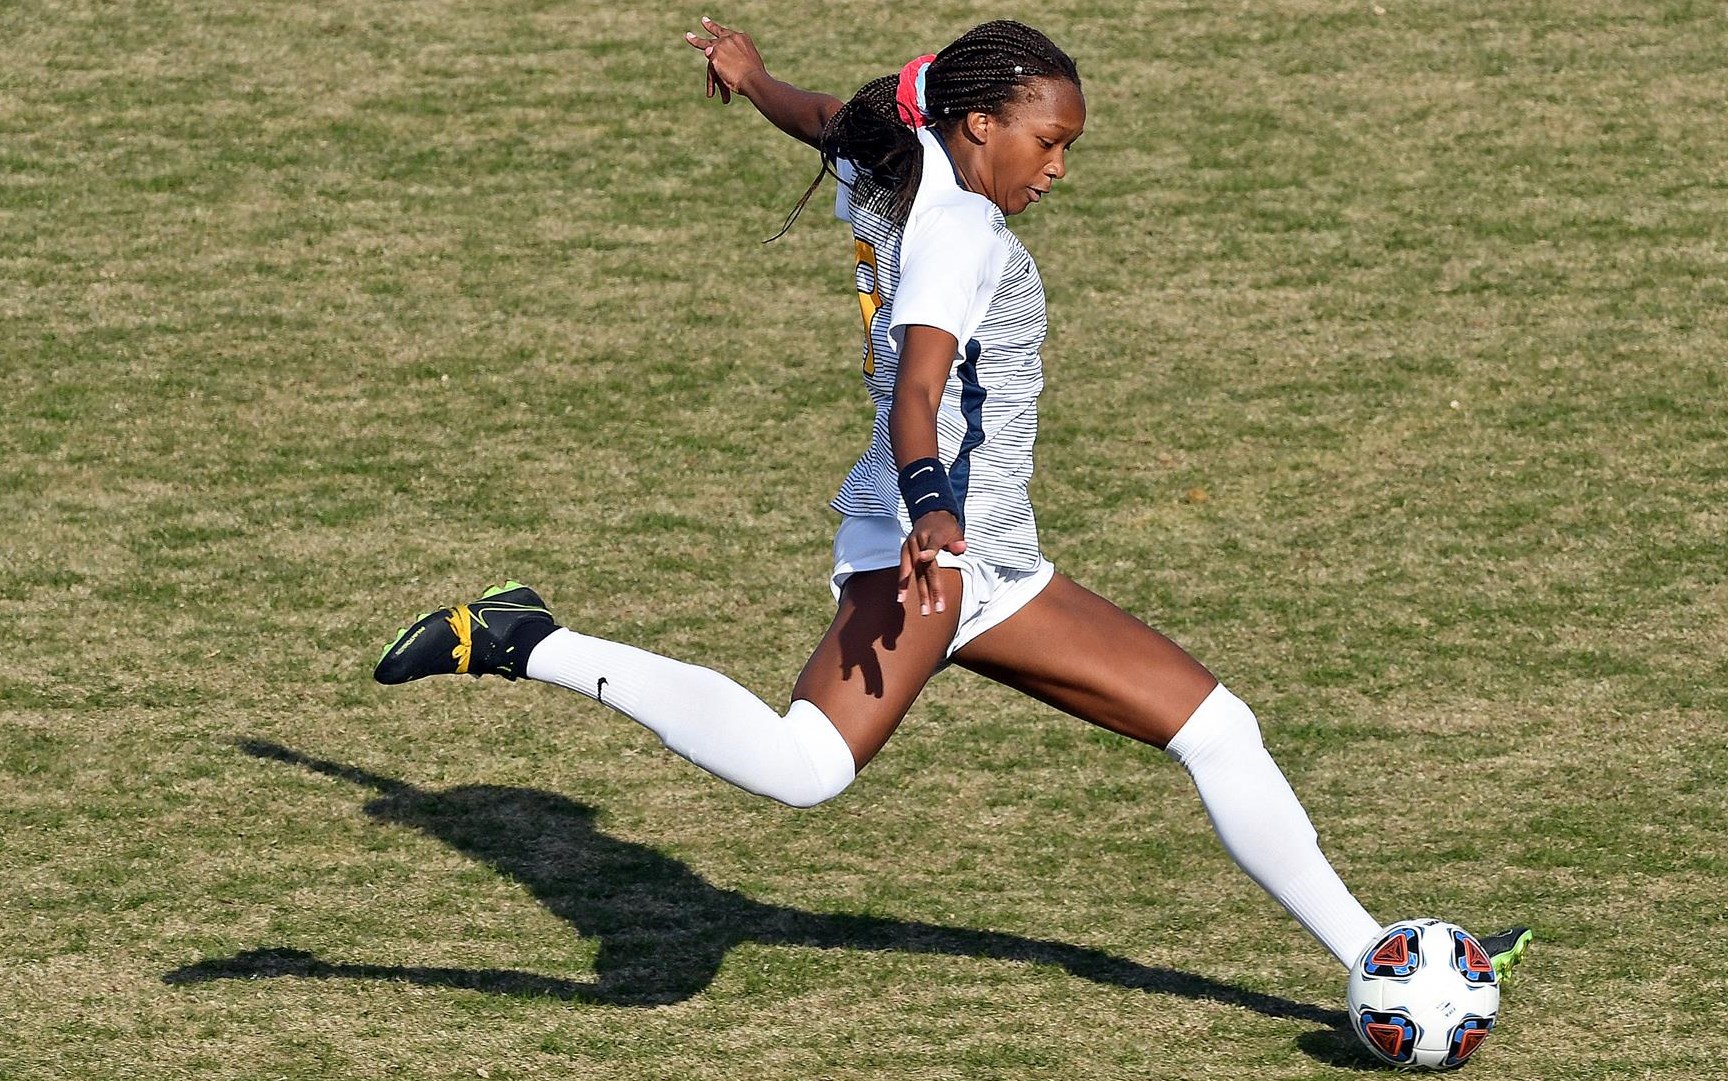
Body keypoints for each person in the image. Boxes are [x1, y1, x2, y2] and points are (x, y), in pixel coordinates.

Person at [374, 16, 1529, 986]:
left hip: (995, 562)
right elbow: (917, 394)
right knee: (804, 769)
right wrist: (931, 515)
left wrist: (755, 78)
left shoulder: (906, 160)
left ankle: (1375, 953)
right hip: (928, 548)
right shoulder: (961, 236)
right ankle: (529, 638)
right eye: (1049, 140)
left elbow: (839, 122)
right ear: (983, 123)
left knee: (1216, 728)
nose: (1058, 168)